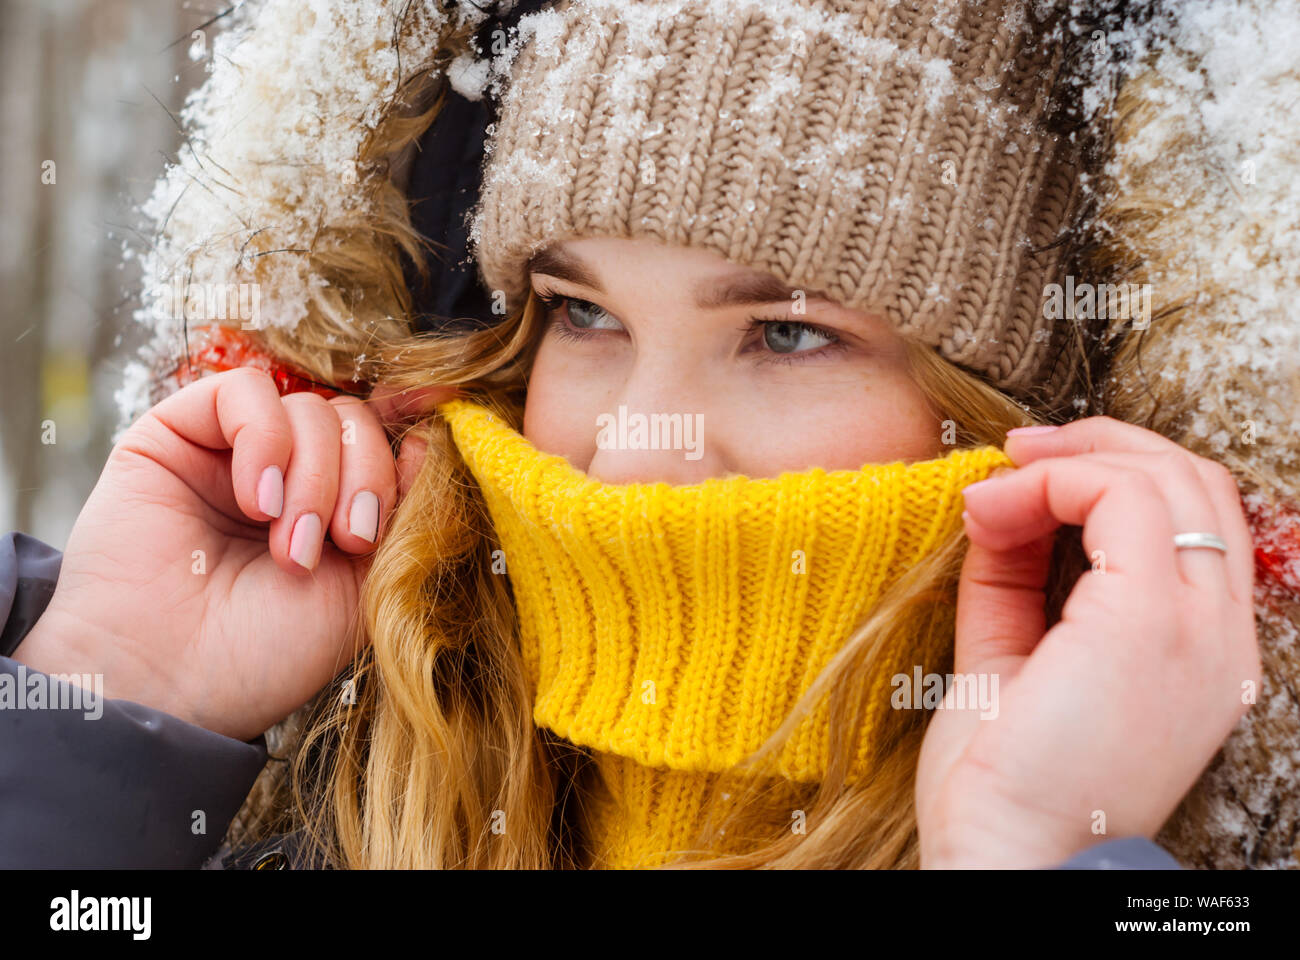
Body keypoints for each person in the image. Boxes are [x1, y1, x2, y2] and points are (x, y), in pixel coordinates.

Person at [0, 0, 1259, 869]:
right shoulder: (336, 790)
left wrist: (1037, 847)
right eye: (583, 312)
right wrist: (112, 710)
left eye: (785, 333)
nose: (635, 454)